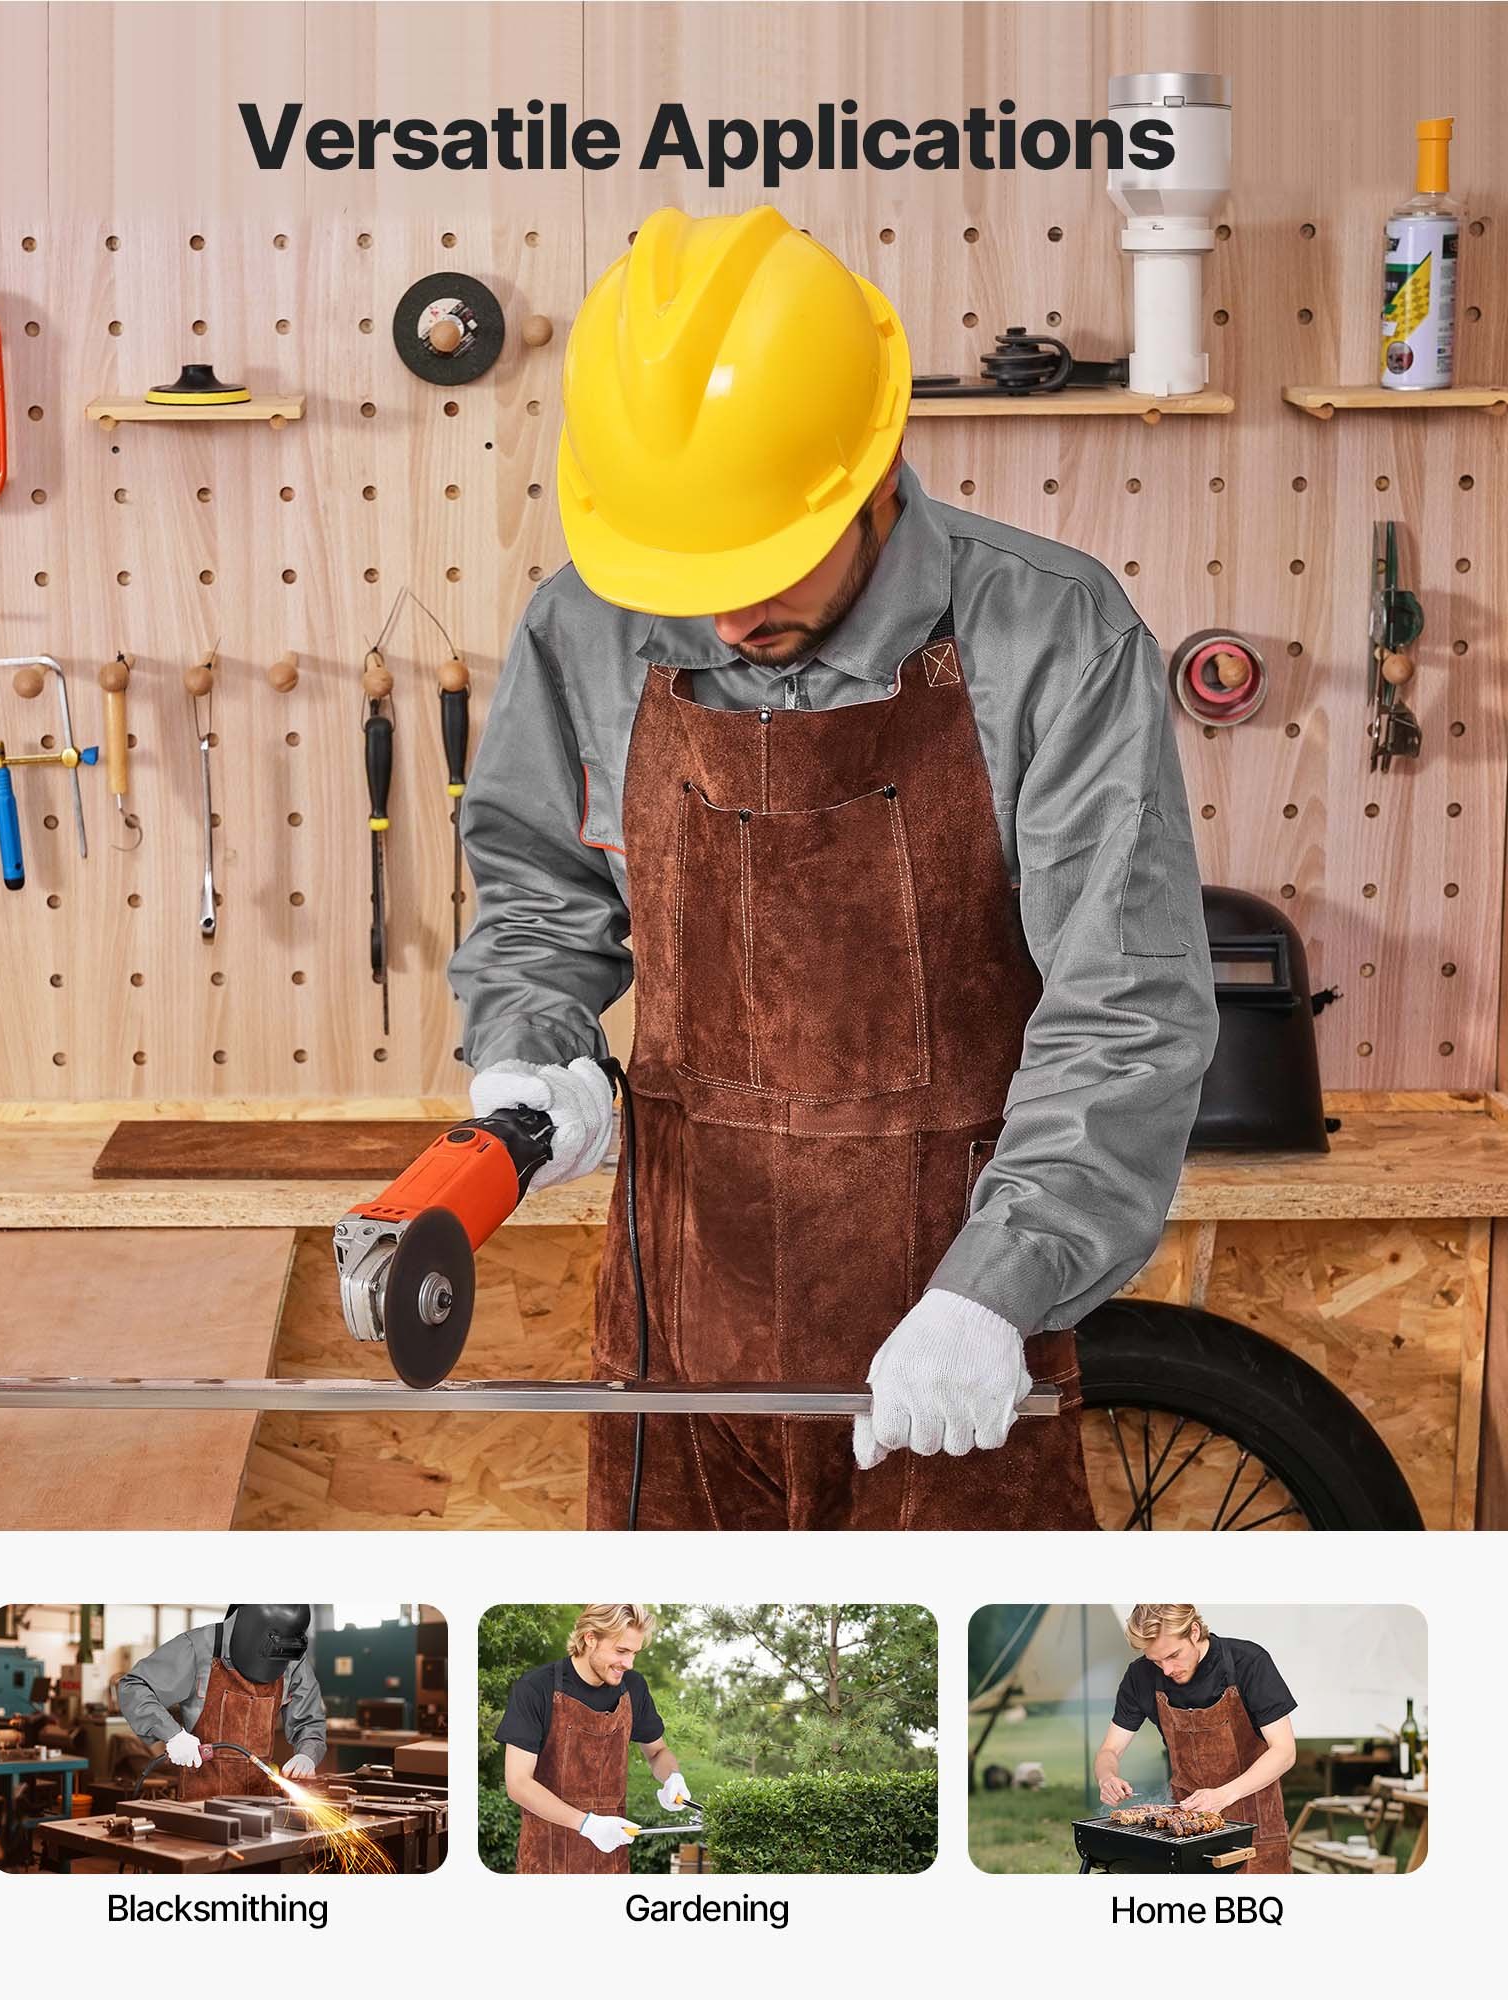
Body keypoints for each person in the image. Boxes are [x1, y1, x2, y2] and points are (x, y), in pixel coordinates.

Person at [451, 203, 1219, 1532]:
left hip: (950, 1320)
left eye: (764, 559)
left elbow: (1124, 1005)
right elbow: (537, 894)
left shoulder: (1051, 633)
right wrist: (531, 1053)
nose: (729, 611)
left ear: (873, 471)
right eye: (692, 570)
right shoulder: (585, 623)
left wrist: (997, 1290)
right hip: (683, 1306)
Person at [1094, 1603, 1295, 1873]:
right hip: (1184, 1828)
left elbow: (1284, 1751)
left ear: (1194, 1631)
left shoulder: (1248, 1662)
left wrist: (1223, 1795)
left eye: (1174, 1655)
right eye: (1156, 1661)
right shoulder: (1140, 1676)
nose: (1167, 1670)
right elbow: (1110, 1750)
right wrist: (1106, 1777)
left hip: (1256, 1821)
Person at [497, 1604, 690, 1874]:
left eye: (634, 1653)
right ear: (590, 1638)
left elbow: (658, 1752)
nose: (629, 1663)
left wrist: (672, 1778)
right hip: (546, 1861)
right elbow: (518, 1784)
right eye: (621, 1651)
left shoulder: (633, 1687)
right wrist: (587, 1824)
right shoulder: (536, 1688)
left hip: (612, 1861)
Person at [117, 1604, 325, 1800]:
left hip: (260, 1801)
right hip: (201, 1803)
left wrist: (307, 1755)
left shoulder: (290, 1657)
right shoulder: (198, 1648)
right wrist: (173, 1735)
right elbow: (134, 1687)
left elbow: (309, 1721)